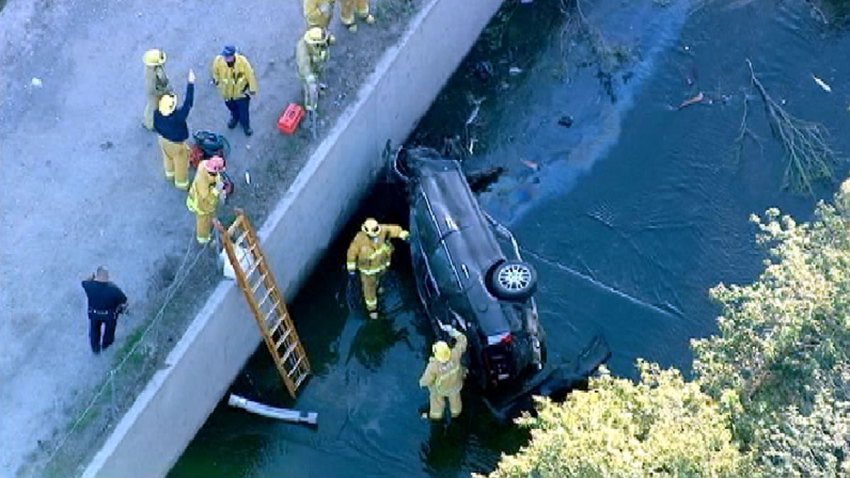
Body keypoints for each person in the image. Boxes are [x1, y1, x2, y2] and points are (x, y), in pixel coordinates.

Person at [346, 218, 409, 319]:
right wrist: (351, 270)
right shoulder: (359, 240)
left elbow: (393, 230)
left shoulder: (382, 230)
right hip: (368, 272)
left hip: (382, 266)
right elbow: (351, 254)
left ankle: (379, 287)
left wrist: (404, 234)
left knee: (379, 280)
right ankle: (372, 309)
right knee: (369, 290)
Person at [153, 69, 195, 190]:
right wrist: (190, 84)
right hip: (177, 145)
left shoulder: (157, 113)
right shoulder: (178, 117)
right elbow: (188, 104)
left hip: (162, 140)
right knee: (180, 163)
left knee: (167, 157)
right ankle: (181, 183)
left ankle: (169, 173)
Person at [419, 323, 468, 421]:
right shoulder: (455, 354)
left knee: (436, 398)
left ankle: (436, 416)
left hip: (441, 389)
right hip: (455, 385)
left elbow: (427, 380)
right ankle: (456, 414)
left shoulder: (433, 366)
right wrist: (452, 331)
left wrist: (421, 383)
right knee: (455, 400)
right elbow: (463, 341)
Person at [211, 45, 258, 136]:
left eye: (228, 56)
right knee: (232, 108)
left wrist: (252, 88)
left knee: (244, 112)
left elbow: (250, 75)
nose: (226, 58)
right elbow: (215, 72)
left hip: (240, 94)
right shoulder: (218, 61)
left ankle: (246, 126)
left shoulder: (242, 62)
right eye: (225, 56)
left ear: (233, 55)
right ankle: (235, 118)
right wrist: (216, 80)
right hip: (227, 94)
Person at [81, 267, 128, 355]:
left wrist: (91, 277)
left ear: (97, 276)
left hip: (95, 315)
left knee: (94, 334)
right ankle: (106, 349)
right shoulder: (114, 289)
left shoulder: (89, 286)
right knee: (108, 336)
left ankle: (95, 351)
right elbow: (124, 301)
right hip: (109, 317)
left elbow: (83, 282)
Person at [186, 156, 226, 245]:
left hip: (203, 201)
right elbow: (206, 196)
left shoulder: (205, 166)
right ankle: (203, 238)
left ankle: (211, 220)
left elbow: (216, 177)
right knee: (203, 221)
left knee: (210, 214)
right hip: (201, 205)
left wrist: (220, 189)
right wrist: (216, 191)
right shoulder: (202, 180)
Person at [295, 27, 331, 113]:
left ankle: (319, 88)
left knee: (318, 78)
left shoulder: (318, 44)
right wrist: (309, 76)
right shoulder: (302, 50)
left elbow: (324, 49)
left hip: (316, 67)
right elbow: (304, 66)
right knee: (310, 88)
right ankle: (310, 105)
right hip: (308, 73)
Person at [142, 48, 170, 131]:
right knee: (154, 107)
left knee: (151, 105)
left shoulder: (149, 69)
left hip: (152, 90)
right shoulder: (157, 71)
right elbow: (162, 80)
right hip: (155, 91)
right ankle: (150, 124)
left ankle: (148, 121)